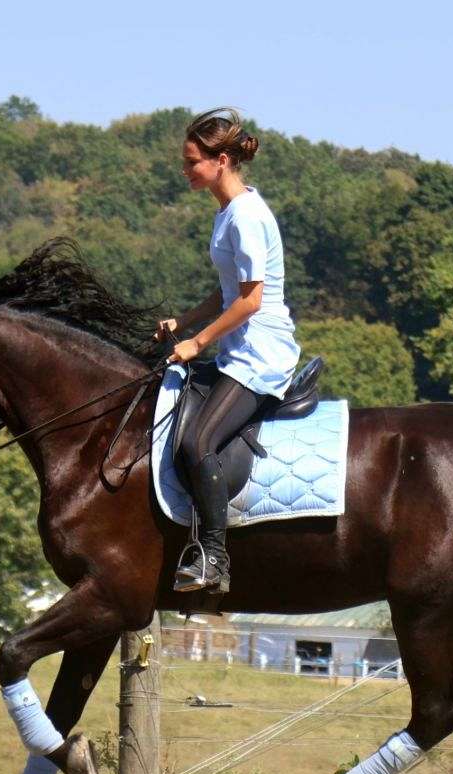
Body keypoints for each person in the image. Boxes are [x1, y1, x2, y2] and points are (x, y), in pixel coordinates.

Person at [155, 108, 300, 593]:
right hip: (238, 348)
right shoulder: (226, 213)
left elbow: (251, 300)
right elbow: (225, 292)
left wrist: (198, 342)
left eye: (191, 162)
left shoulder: (246, 216)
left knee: (197, 442)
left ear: (220, 161)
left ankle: (214, 559)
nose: (184, 170)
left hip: (261, 354)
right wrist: (183, 322)